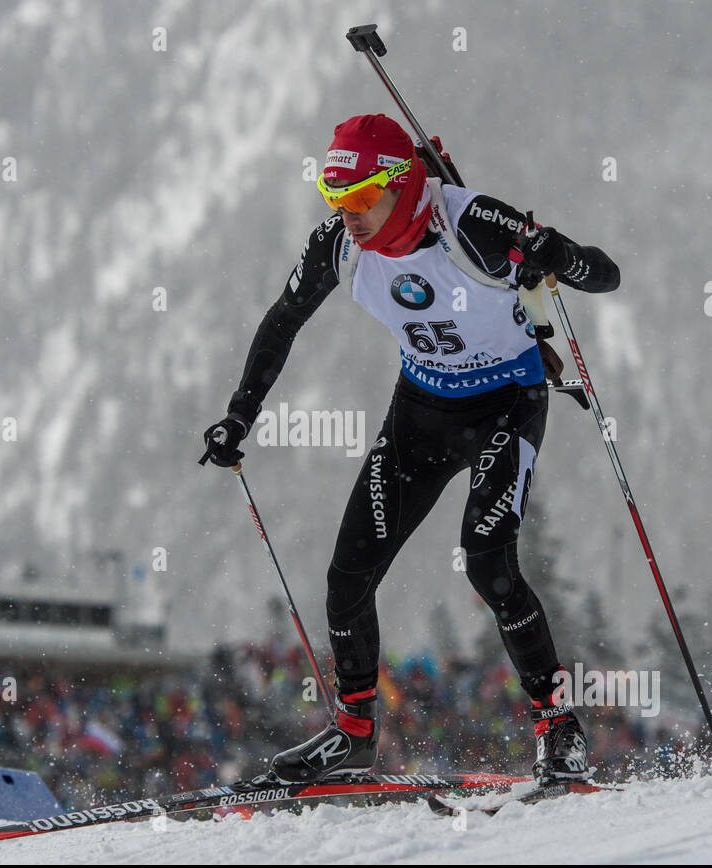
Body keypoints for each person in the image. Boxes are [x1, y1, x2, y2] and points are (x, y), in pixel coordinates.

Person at [202, 114, 620, 783]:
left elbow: (605, 276)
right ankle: (354, 735)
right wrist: (237, 417)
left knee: (490, 565)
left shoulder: (474, 223)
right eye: (336, 199)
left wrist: (555, 255)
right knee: (347, 576)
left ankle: (558, 728)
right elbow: (283, 321)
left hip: (506, 406)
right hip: (420, 414)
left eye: (363, 198)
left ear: (402, 184)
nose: (350, 215)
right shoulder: (340, 245)